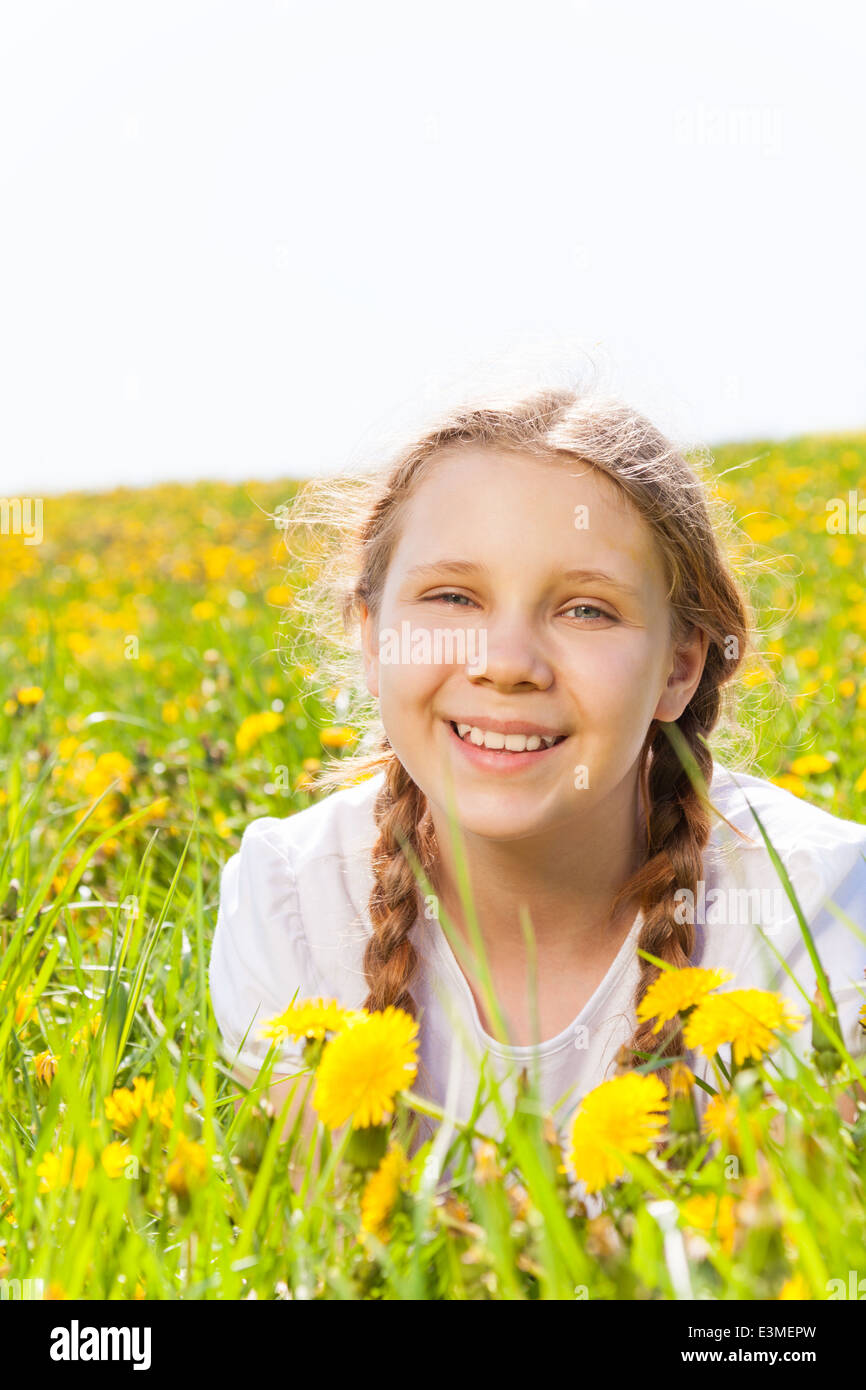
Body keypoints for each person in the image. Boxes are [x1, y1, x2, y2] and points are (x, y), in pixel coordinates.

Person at [209, 384, 866, 1167]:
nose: (508, 665)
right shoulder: (294, 902)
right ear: (373, 636)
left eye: (586, 610)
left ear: (680, 667)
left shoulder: (818, 908)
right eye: (453, 596)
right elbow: (326, 1264)